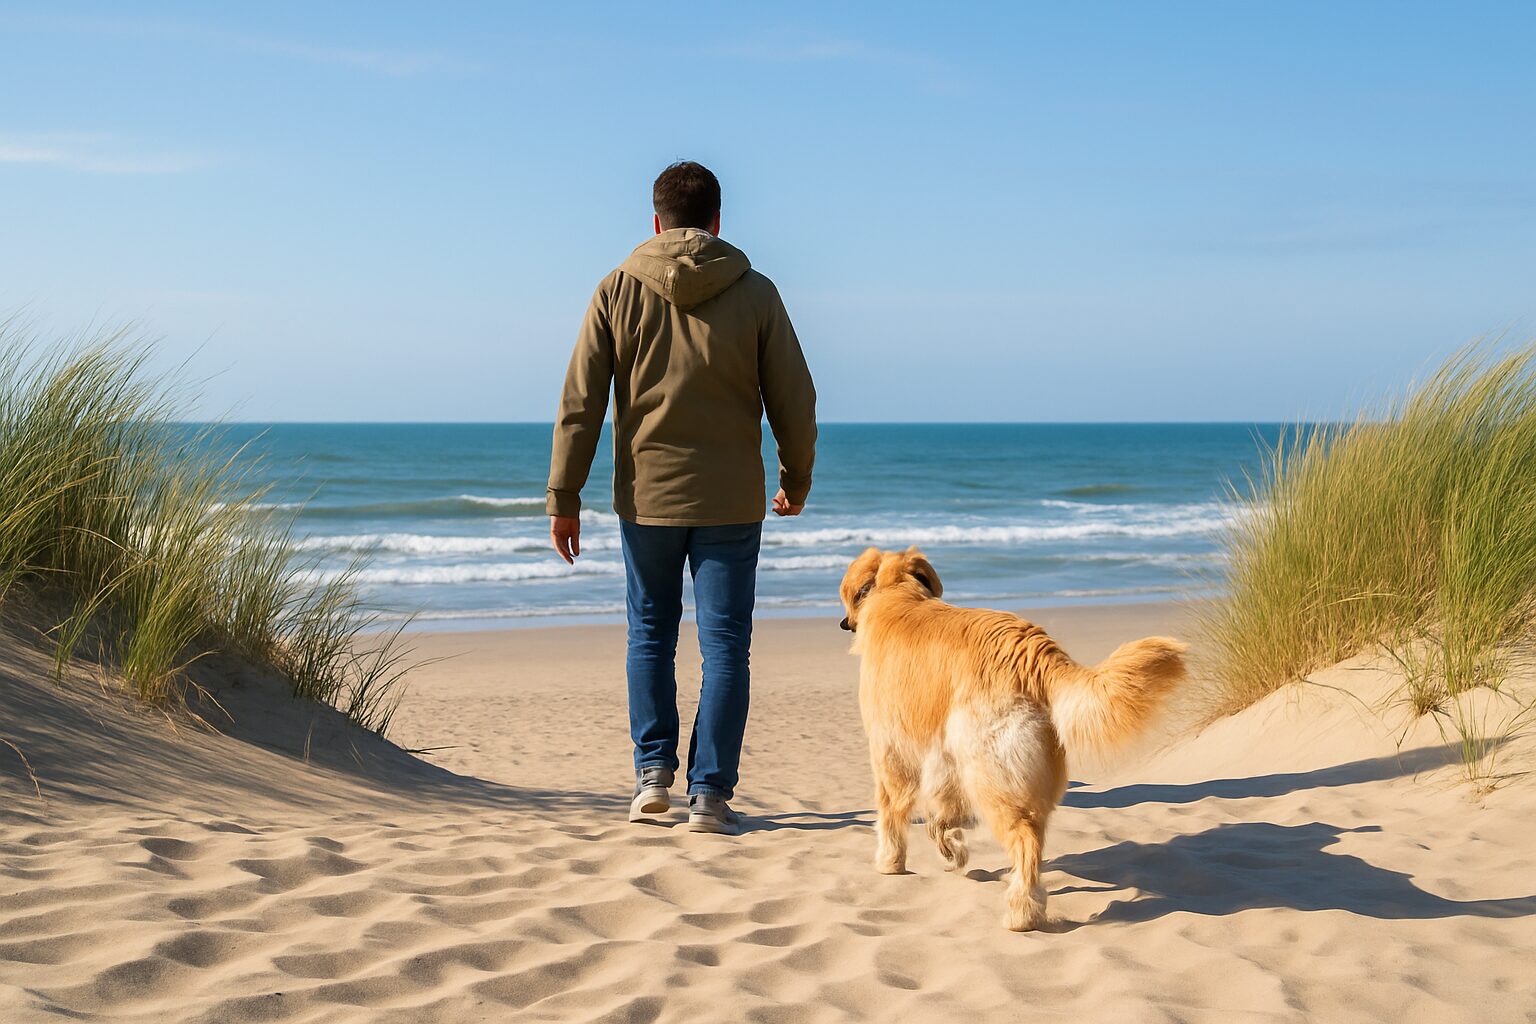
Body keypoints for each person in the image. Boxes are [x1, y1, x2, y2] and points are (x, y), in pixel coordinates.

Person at [546, 160, 818, 834]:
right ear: (718, 222)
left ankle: (652, 779)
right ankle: (711, 797)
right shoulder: (755, 293)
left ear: (656, 220)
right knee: (726, 646)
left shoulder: (616, 289)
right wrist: (795, 478)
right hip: (730, 501)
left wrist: (564, 495)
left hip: (647, 500)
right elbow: (795, 397)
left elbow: (580, 403)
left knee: (650, 636)